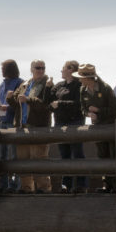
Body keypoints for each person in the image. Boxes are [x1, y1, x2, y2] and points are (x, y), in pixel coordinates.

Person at [8, 60, 54, 193]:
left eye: (43, 68)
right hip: (22, 126)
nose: (41, 70)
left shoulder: (47, 84)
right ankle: (26, 187)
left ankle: (43, 188)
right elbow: (16, 103)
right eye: (38, 68)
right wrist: (10, 98)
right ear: (31, 69)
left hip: (38, 127)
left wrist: (28, 100)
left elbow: (46, 104)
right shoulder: (25, 84)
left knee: (39, 158)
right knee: (23, 159)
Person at [75, 64, 116, 192]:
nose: (79, 79)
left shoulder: (105, 88)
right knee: (102, 155)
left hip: (111, 126)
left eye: (81, 77)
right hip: (98, 127)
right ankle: (107, 185)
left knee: (113, 155)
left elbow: (114, 109)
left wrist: (99, 111)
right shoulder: (82, 90)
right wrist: (89, 114)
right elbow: (83, 109)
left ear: (88, 78)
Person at [51, 60, 86, 193]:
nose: (61, 70)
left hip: (75, 122)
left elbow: (78, 104)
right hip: (60, 123)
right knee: (64, 154)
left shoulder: (79, 85)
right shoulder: (59, 85)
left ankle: (81, 184)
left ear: (70, 69)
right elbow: (49, 100)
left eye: (64, 68)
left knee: (77, 153)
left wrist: (60, 104)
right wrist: (48, 88)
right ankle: (66, 184)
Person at [0, 60, 24, 194]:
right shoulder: (2, 84)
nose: (2, 70)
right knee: (2, 155)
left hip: (13, 122)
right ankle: (3, 184)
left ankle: (14, 185)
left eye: (4, 68)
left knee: (14, 155)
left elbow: (19, 103)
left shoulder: (20, 83)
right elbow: (0, 101)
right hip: (2, 121)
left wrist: (7, 107)